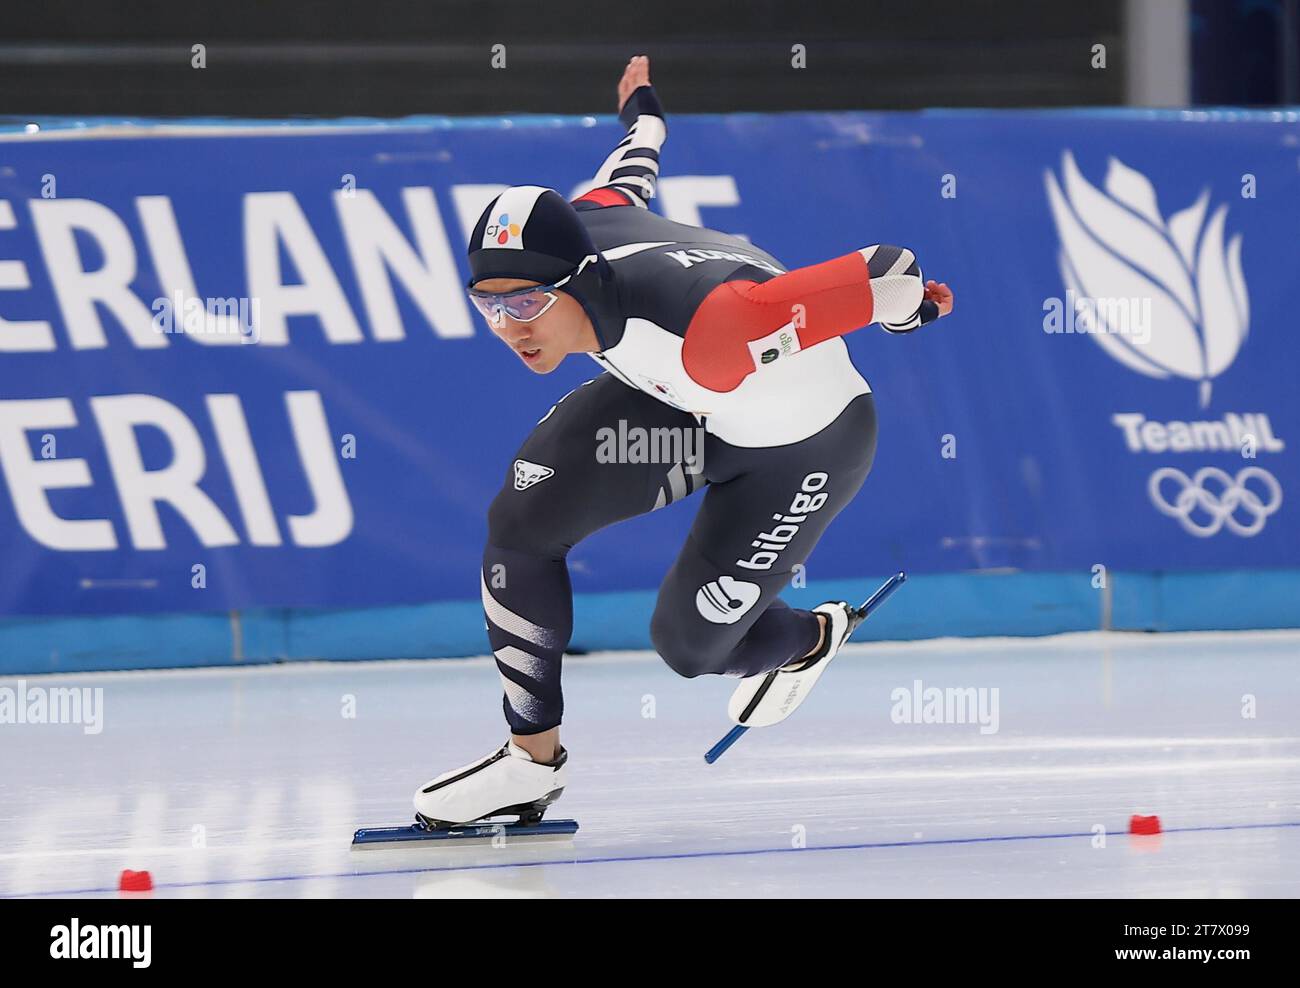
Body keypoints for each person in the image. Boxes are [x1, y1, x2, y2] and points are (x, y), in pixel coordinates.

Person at [414, 55, 954, 826]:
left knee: (690, 646)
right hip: (683, 409)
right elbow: (628, 172)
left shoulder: (715, 331)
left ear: (578, 277)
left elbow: (888, 267)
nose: (511, 329)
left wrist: (907, 312)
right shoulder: (587, 218)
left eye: (528, 302)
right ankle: (529, 762)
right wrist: (646, 114)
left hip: (802, 444)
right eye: (488, 306)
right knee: (522, 520)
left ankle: (808, 635)